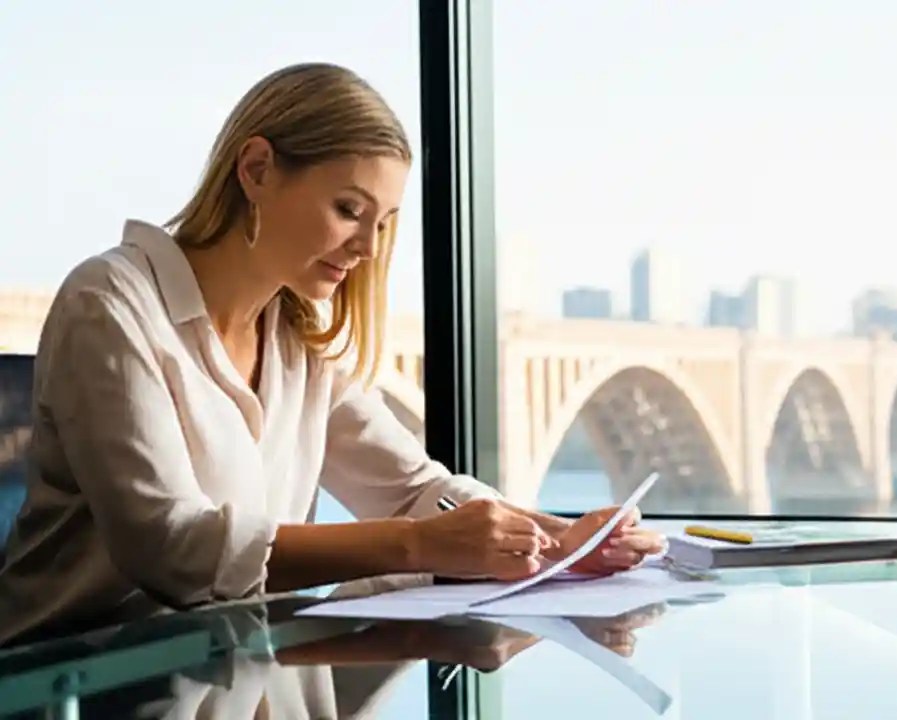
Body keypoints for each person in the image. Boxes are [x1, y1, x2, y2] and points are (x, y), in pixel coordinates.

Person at [0, 63, 664, 647]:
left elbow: (413, 490)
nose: (369, 248)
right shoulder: (111, 305)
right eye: (349, 209)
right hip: (70, 684)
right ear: (256, 170)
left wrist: (560, 538)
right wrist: (420, 545)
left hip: (234, 671)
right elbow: (172, 547)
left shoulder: (300, 337)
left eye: (383, 223)